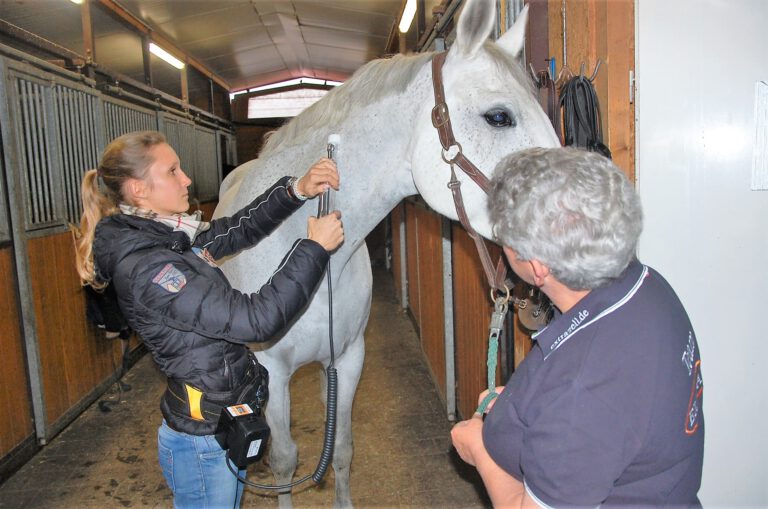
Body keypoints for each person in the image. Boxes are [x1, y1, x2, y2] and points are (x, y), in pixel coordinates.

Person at [73, 130, 344, 508]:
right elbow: (256, 320)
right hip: (201, 443)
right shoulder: (149, 266)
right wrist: (313, 250)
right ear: (139, 189)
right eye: (172, 171)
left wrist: (296, 190)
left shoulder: (167, 237)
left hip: (222, 425)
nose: (186, 179)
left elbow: (236, 230)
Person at [451, 147, 704, 507]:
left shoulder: (582, 389)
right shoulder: (644, 285)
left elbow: (583, 403)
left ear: (537, 268)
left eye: (504, 238)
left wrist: (480, 449)